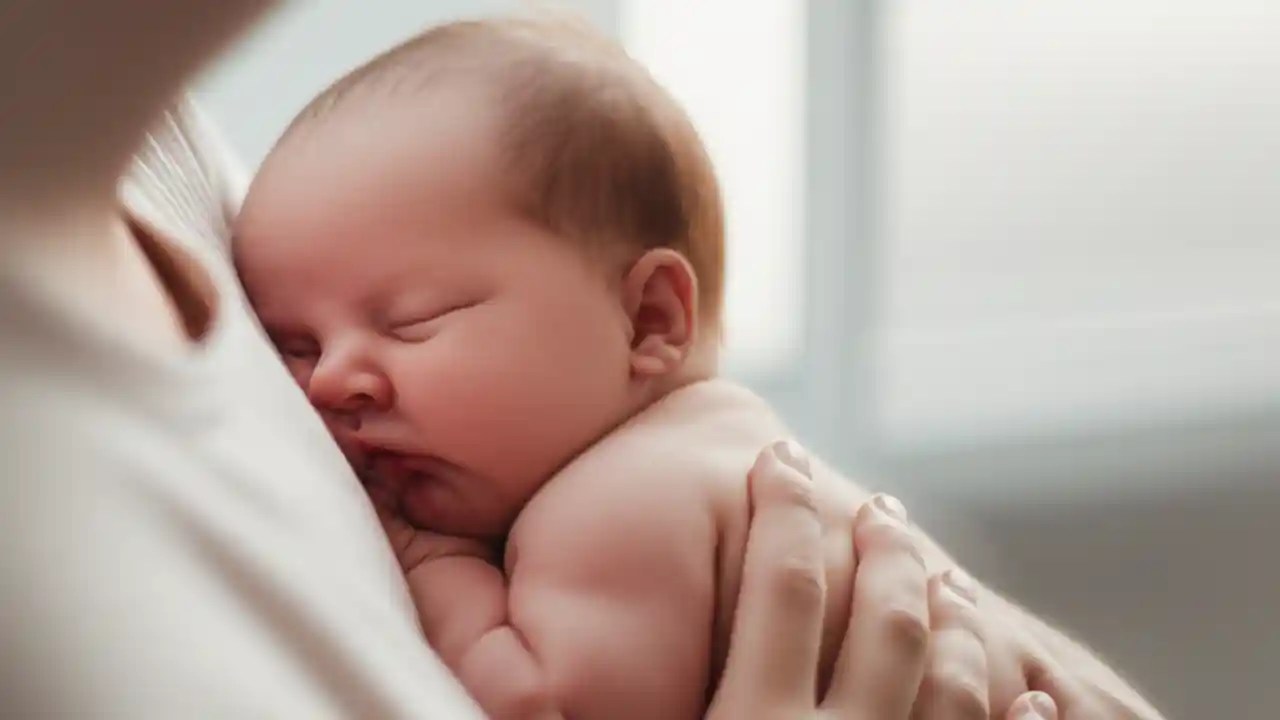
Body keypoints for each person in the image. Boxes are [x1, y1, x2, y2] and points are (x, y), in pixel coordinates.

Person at [0, 1, 1152, 718]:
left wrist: (428, 563)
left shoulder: (618, 506)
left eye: (414, 322)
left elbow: (538, 701)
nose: (328, 383)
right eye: (293, 343)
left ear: (650, 319)